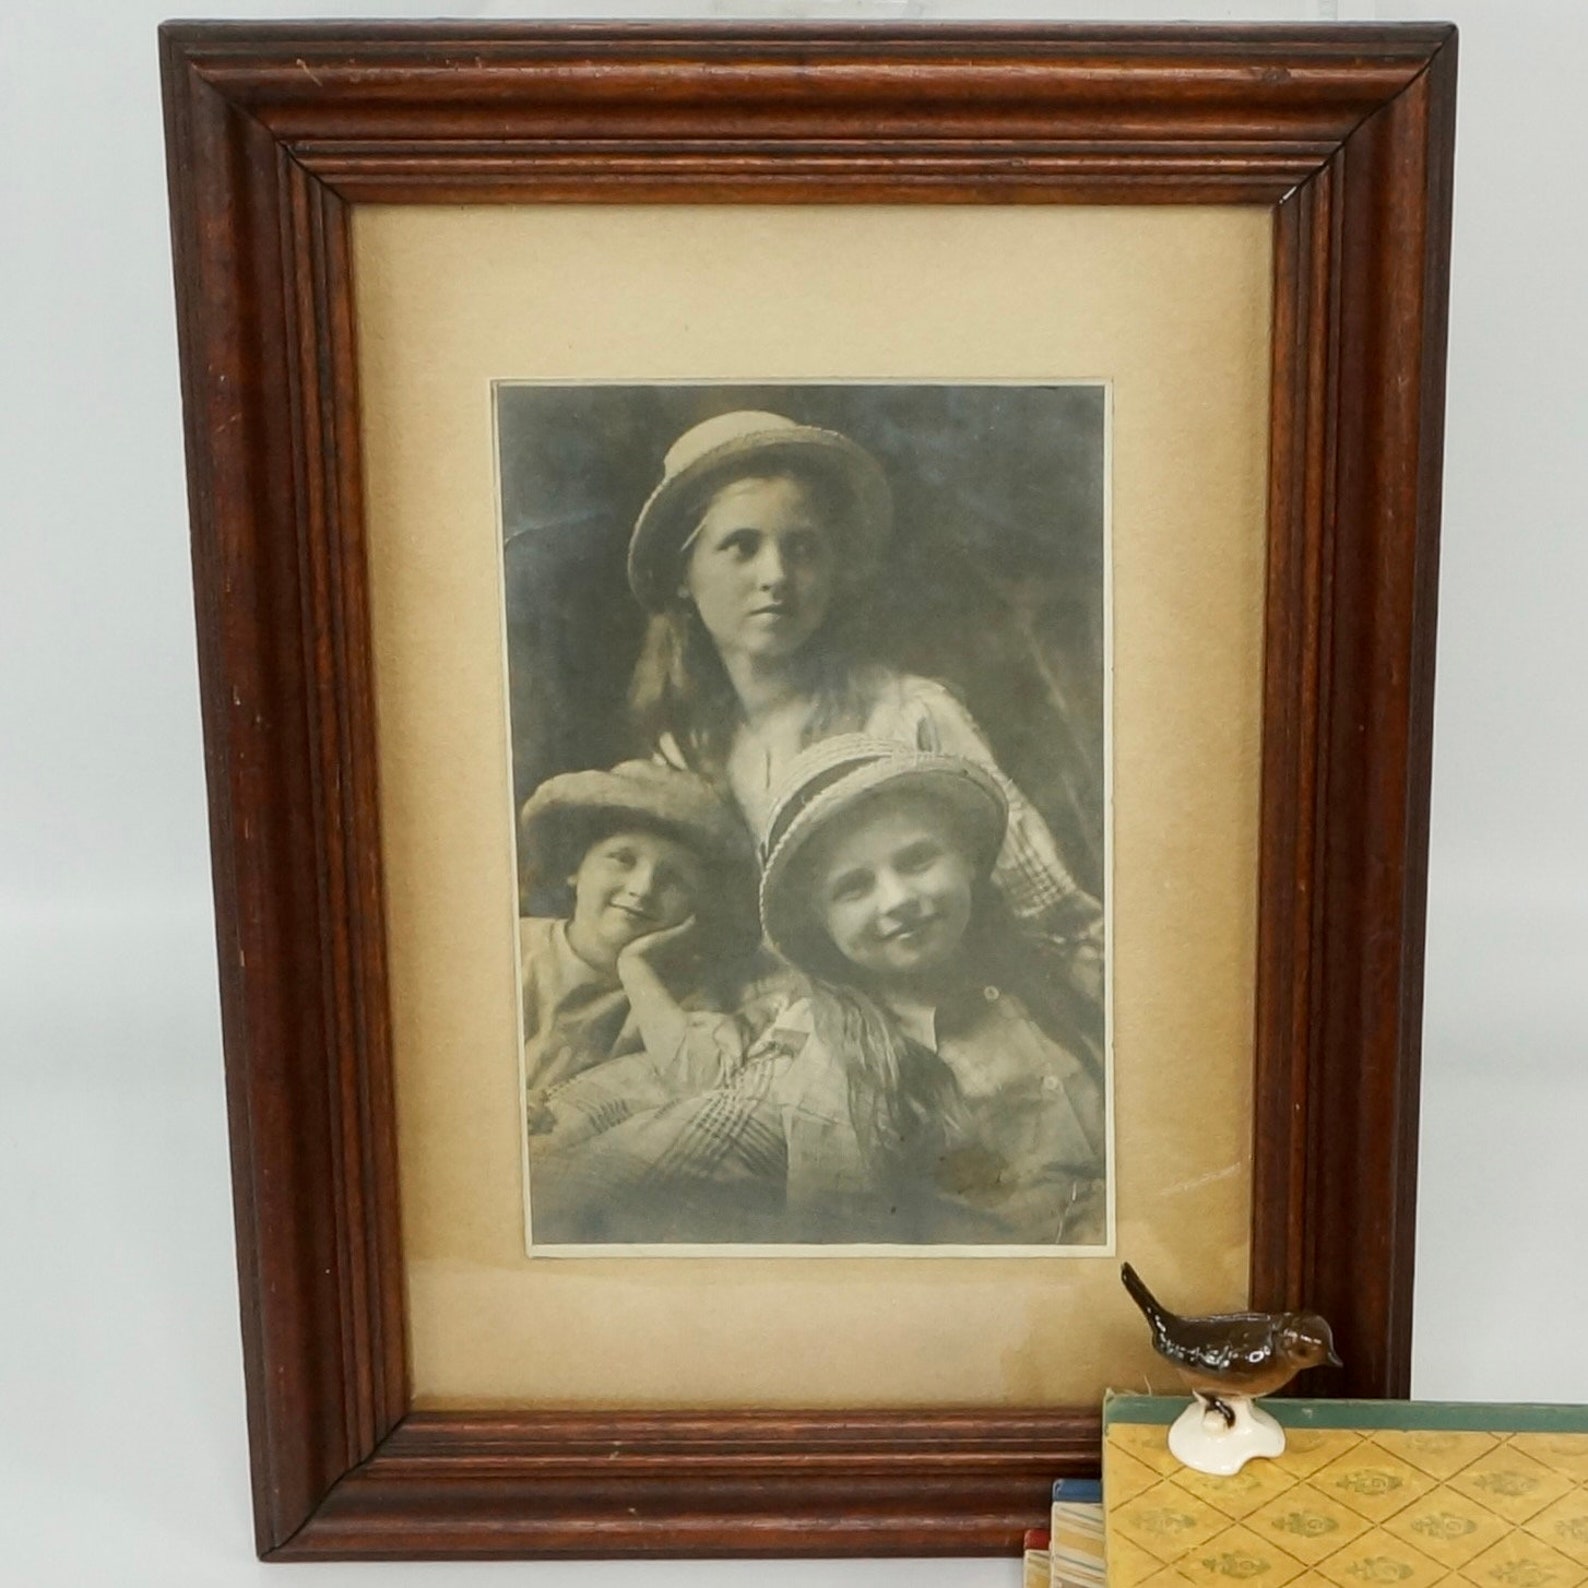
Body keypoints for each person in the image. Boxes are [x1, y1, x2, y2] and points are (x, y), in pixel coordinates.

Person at [534, 737, 1107, 1247]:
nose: (897, 900)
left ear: (967, 859)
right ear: (821, 927)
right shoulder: (829, 1062)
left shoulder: (1070, 972)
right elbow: (662, 1142)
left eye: (917, 859)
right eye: (853, 888)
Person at [625, 408, 1102, 996]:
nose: (775, 574)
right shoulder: (685, 752)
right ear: (682, 573)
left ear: (833, 569)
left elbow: (1056, 919)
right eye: (741, 547)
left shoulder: (909, 715)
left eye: (802, 548)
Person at [515, 760, 760, 1134]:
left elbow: (710, 1092)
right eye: (623, 859)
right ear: (575, 868)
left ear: (697, 907)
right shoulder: (512, 950)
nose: (643, 887)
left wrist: (636, 969)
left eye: (674, 878)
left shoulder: (678, 1002)